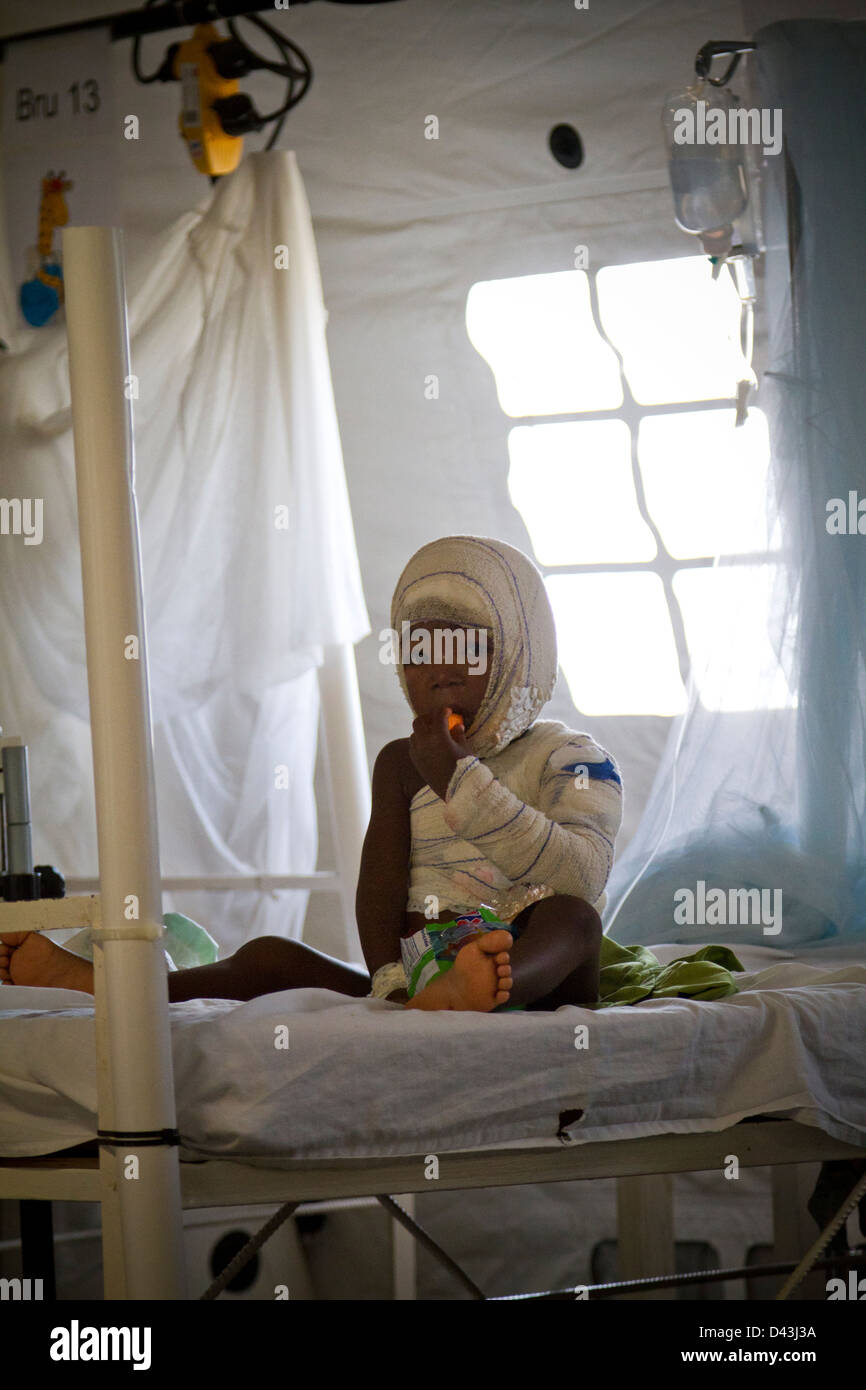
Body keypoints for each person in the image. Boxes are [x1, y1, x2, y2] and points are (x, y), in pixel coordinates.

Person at [0, 535, 623, 1013]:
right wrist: (389, 983)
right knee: (270, 958)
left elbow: (580, 872)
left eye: (468, 650)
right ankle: (123, 991)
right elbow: (378, 890)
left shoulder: (569, 757)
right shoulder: (400, 764)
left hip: (534, 975)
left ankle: (486, 993)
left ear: (520, 652)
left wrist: (462, 782)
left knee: (574, 920)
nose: (440, 673)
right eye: (419, 652)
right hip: (426, 979)